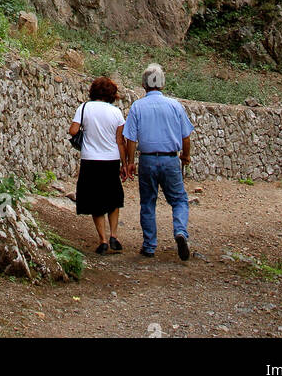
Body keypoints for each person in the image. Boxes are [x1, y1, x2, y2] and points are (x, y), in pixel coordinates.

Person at [123, 63, 194, 261]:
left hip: (147, 160)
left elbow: (131, 139)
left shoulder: (137, 106)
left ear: (144, 84)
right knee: (179, 199)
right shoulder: (175, 105)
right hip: (170, 159)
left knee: (147, 202)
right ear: (162, 83)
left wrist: (130, 162)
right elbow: (186, 137)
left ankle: (149, 246)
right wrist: (185, 156)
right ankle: (180, 231)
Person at [68, 77, 127, 254]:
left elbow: (73, 131)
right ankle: (114, 235)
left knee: (95, 200)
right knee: (113, 198)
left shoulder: (84, 108)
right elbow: (120, 141)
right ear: (111, 94)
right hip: (111, 160)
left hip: (90, 159)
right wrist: (125, 165)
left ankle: (102, 239)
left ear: (93, 91)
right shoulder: (116, 112)